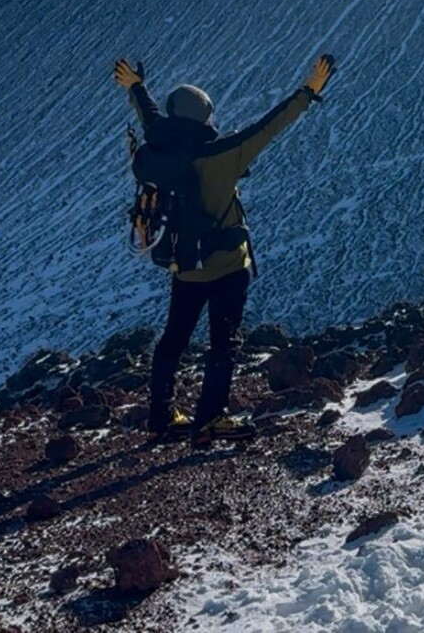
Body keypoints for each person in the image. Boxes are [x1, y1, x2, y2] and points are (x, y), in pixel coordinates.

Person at [113, 53, 336, 443]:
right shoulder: (225, 153)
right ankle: (210, 419)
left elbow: (149, 116)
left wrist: (135, 86)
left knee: (172, 341)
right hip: (228, 266)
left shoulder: (160, 146)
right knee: (222, 344)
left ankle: (161, 416)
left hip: (184, 265)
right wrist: (309, 90)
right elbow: (271, 125)